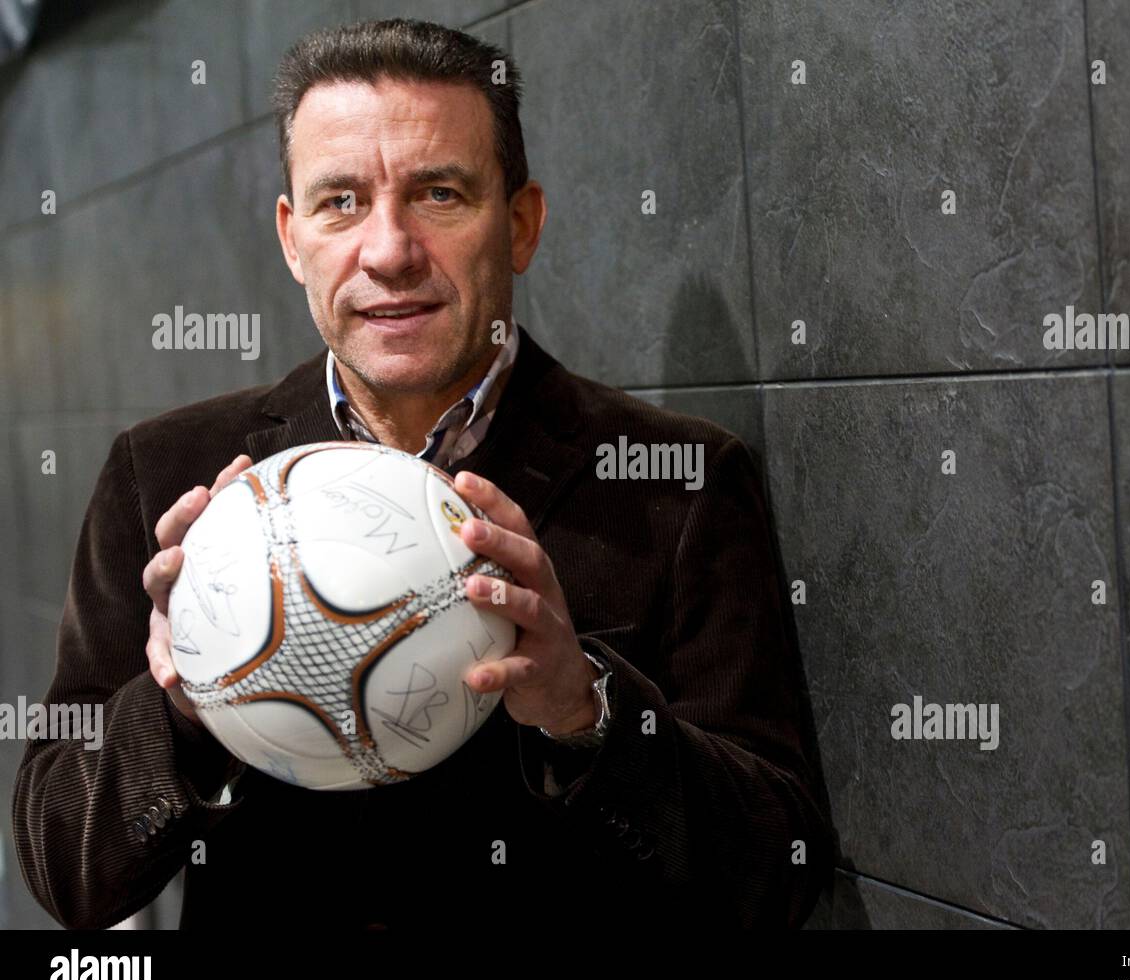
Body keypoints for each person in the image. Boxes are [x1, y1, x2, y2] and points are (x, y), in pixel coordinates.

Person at [11, 18, 833, 929]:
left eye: (439, 194)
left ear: (519, 224)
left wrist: (587, 711)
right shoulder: (167, 476)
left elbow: (780, 869)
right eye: (341, 202)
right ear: (293, 239)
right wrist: (186, 707)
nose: (390, 250)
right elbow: (64, 867)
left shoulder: (677, 484)